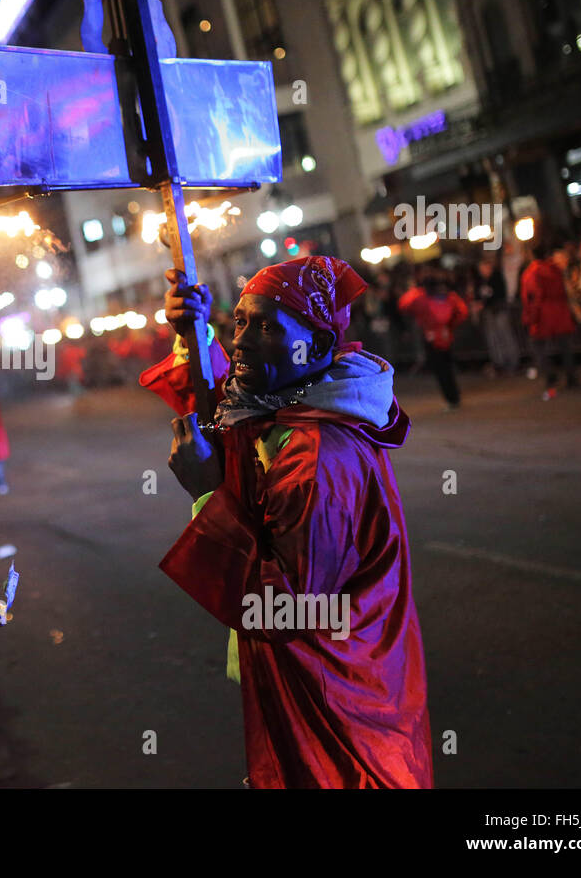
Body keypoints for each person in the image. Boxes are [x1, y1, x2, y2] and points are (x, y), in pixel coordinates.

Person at [159, 257, 433, 788]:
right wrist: (193, 332)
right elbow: (223, 403)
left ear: (318, 343)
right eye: (239, 322)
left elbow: (281, 606)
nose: (241, 342)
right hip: (314, 681)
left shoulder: (317, 460)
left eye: (265, 326)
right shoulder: (285, 401)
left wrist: (206, 494)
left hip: (337, 696)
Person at [398, 269, 469, 409]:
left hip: (431, 338)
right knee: (447, 368)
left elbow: (403, 304)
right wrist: (450, 326)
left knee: (441, 370)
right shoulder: (449, 297)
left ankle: (451, 399)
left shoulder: (421, 299)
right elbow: (462, 312)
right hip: (446, 335)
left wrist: (415, 290)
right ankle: (455, 396)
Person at [520, 241, 579, 399]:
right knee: (565, 345)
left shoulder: (531, 273)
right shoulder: (555, 269)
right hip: (560, 311)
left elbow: (533, 296)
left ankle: (550, 376)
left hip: (543, 314)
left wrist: (530, 316)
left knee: (538, 346)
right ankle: (571, 375)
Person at [473, 258, 519, 376]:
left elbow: (498, 294)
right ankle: (499, 362)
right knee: (493, 338)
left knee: (505, 336)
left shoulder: (497, 278)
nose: (483, 271)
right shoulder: (480, 281)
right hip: (488, 313)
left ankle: (512, 362)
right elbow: (478, 295)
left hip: (499, 311)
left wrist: (484, 303)